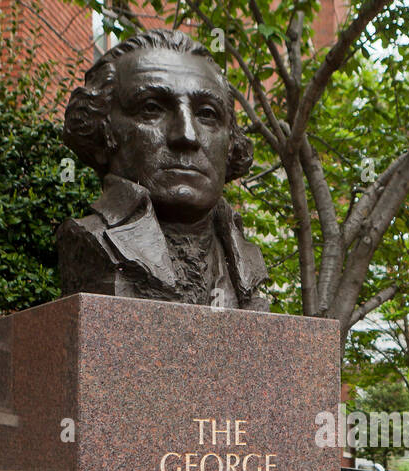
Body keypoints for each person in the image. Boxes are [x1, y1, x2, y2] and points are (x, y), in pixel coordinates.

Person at [58, 29, 270, 309]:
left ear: (230, 143)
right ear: (104, 131)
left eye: (207, 114)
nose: (187, 136)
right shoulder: (89, 242)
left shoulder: (247, 261)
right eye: (151, 108)